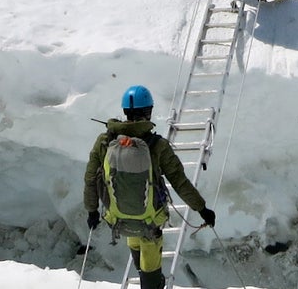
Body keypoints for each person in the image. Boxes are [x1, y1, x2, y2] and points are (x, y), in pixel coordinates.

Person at [83, 85, 216, 289]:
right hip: (150, 216)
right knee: (149, 240)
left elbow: (91, 179)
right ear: (148, 112)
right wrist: (202, 209)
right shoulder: (157, 145)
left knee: (132, 227)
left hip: (116, 216)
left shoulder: (105, 141)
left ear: (125, 111)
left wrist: (92, 210)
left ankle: (142, 273)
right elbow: (179, 181)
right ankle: (152, 284)